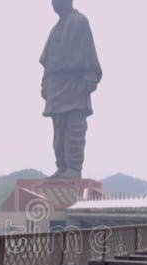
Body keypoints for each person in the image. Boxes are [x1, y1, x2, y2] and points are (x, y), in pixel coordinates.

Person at [40, 0, 102, 179]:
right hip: (56, 85)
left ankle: (74, 167)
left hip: (74, 82)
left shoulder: (80, 21)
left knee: (74, 126)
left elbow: (88, 50)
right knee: (58, 130)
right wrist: (44, 83)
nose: (54, 4)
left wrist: (90, 76)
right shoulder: (55, 29)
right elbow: (47, 61)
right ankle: (62, 166)